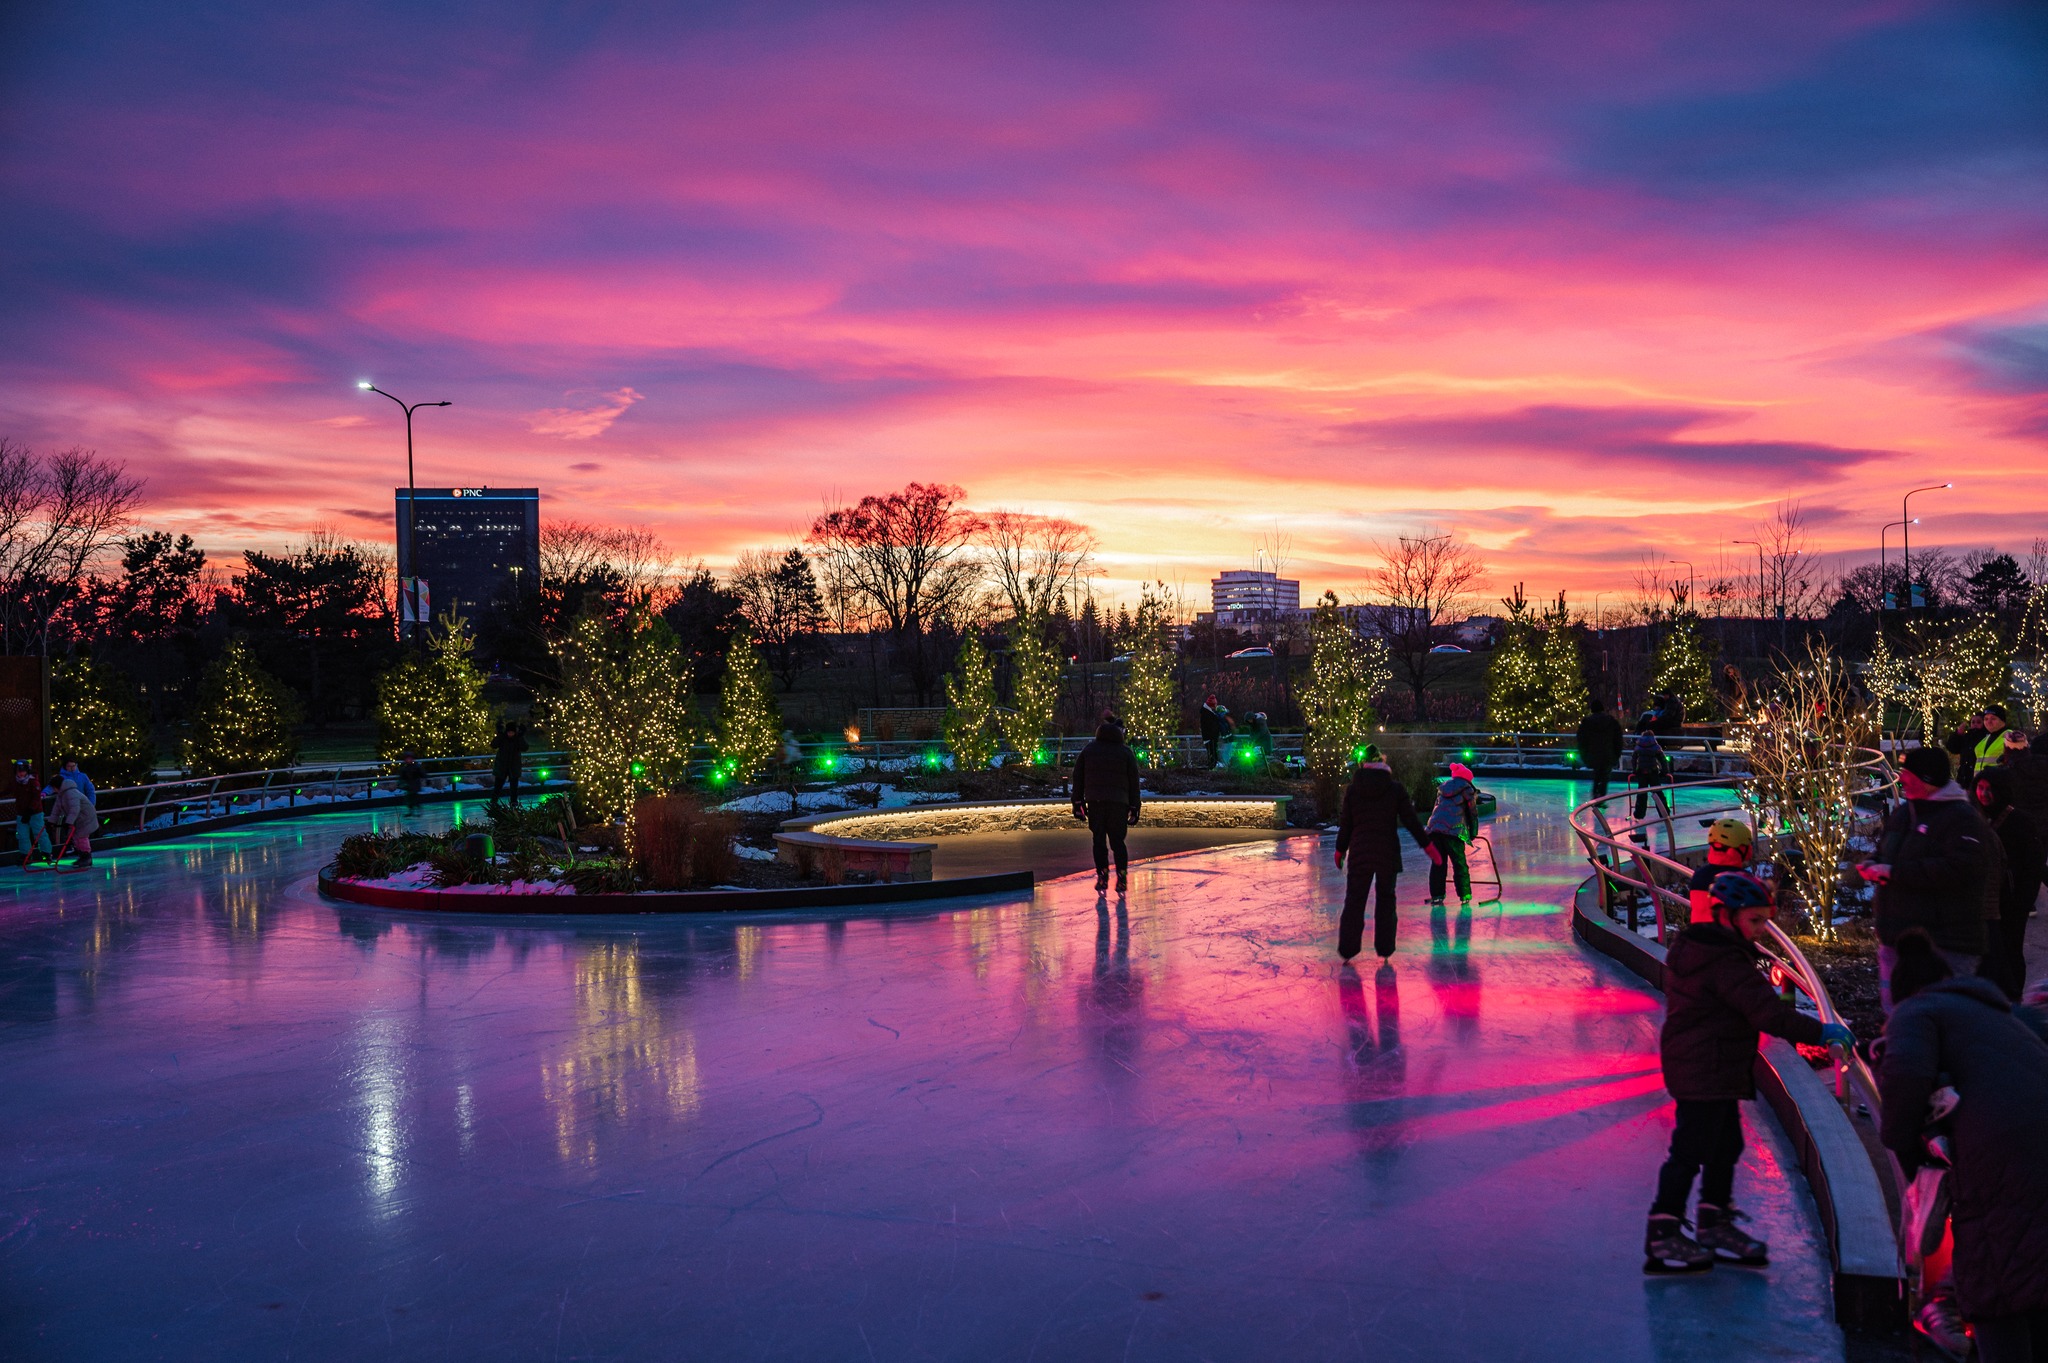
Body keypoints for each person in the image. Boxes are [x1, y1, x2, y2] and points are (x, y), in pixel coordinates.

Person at [1645, 871, 1849, 1273]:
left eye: (1762, 921)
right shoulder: (1724, 962)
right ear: (1726, 916)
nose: (1760, 931)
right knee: (1690, 1151)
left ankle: (1713, 1221)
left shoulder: (1706, 949)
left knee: (1725, 1146)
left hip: (1710, 1063)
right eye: (1754, 922)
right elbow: (1767, 1013)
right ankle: (1663, 1233)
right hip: (1705, 1066)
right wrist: (1822, 1032)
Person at [1879, 930, 2048, 1362]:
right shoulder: (2002, 1015)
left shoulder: (1918, 1009)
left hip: (1997, 1159)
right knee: (2034, 1272)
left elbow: (1906, 1076)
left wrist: (1908, 1151)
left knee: (1995, 1281)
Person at [1862, 746, 1995, 1013]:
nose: (1902, 780)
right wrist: (1874, 863)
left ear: (1928, 778)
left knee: (1948, 1018)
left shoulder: (1962, 818)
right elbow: (1887, 851)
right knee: (1899, 1016)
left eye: (1908, 775)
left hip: (1945, 942)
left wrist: (1893, 872)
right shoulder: (1904, 813)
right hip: (1897, 940)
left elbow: (1961, 868)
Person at [1333, 746, 1433, 961]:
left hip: (1360, 853)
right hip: (1387, 853)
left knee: (1354, 900)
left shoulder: (1353, 789)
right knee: (1386, 900)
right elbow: (1411, 820)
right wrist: (1427, 845)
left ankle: (1348, 949)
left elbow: (1346, 824)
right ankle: (1385, 948)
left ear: (1363, 764)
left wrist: (1340, 850)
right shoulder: (1395, 788)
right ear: (1383, 763)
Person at [1977, 766, 2043, 1003]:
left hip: (2011, 901)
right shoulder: (1974, 817)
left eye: (1989, 789)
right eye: (1980, 788)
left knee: (2010, 950)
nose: (1984, 794)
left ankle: (2012, 1000)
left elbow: (2033, 867)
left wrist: (2023, 902)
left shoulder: (2020, 822)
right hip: (1983, 901)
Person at [1071, 715, 1141, 894]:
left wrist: (1077, 802)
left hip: (1096, 801)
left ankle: (1102, 876)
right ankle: (1122, 877)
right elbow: (1134, 781)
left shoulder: (1089, 750)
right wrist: (1135, 807)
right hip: (1119, 803)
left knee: (1098, 840)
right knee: (1118, 842)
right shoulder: (1125, 752)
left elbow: (1078, 777)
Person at [1423, 761, 1480, 907]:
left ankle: (1437, 895)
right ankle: (1464, 895)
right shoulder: (1467, 789)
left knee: (1438, 863)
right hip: (1453, 831)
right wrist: (1473, 833)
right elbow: (1472, 814)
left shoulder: (1442, 789)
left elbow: (1437, 809)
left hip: (1434, 830)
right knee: (1459, 863)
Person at [1688, 818, 1758, 925]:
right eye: (1748, 845)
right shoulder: (1743, 880)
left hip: (1698, 937)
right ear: (1740, 849)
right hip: (1728, 940)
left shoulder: (1699, 875)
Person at [1948, 705, 2011, 790]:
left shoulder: (2009, 737)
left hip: (1996, 787)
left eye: (1993, 718)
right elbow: (1953, 748)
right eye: (1986, 719)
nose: (1989, 722)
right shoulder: (1982, 741)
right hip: (1975, 786)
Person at [1575, 698, 1625, 800]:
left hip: (1593, 754)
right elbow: (1618, 739)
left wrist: (1584, 754)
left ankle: (1595, 795)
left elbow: (1581, 739)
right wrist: (1617, 753)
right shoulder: (1611, 721)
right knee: (1605, 775)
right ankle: (1601, 796)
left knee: (1597, 774)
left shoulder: (1587, 722)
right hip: (1608, 754)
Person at [49, 773, 98, 869]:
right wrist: (51, 821)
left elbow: (74, 808)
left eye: (53, 787)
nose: (53, 790)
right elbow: (56, 809)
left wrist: (69, 822)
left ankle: (86, 856)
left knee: (81, 836)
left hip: (86, 818)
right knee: (76, 837)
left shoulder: (70, 793)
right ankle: (82, 856)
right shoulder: (61, 795)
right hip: (78, 819)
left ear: (57, 786)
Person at [1630, 722, 1671, 825]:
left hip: (1642, 772)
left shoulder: (1638, 746)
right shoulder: (1655, 746)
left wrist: (1634, 770)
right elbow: (1662, 759)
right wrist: (1664, 771)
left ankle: (1639, 814)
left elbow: (1634, 759)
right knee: (1657, 793)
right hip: (1653, 771)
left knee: (1642, 794)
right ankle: (1664, 813)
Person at [12, 760, 49, 866]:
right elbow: (8, 790)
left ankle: (46, 853)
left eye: (22, 771)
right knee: (22, 835)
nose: (20, 773)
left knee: (39, 833)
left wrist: (30, 810)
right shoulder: (15, 781)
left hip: (35, 813)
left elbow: (36, 798)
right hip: (21, 812)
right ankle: (25, 855)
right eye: (18, 771)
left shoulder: (33, 782)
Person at [491, 721, 527, 805]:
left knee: (514, 787)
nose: (510, 734)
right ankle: (493, 801)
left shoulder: (517, 739)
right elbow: (493, 745)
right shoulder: (502, 738)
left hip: (513, 766)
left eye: (512, 732)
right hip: (502, 766)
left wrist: (521, 736)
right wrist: (499, 734)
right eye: (509, 732)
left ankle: (513, 802)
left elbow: (525, 747)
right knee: (498, 786)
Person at [1199, 695, 1233, 768]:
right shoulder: (1208, 714)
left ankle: (1213, 766)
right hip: (1210, 737)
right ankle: (1212, 767)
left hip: (1211, 737)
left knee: (1213, 753)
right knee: (1212, 753)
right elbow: (1212, 726)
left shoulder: (1207, 712)